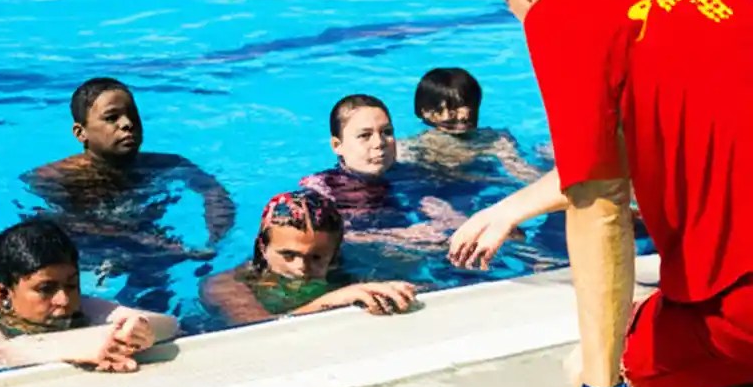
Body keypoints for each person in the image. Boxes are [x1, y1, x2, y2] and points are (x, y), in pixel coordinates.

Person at [463, 0, 753, 387]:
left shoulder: (559, 15)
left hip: (744, 305)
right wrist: (511, 208)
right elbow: (624, 146)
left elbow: (598, 212)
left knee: (621, 352)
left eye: (508, 4)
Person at [22, 78, 235, 311]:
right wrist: (150, 242)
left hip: (151, 251)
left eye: (132, 115)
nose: (127, 124)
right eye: (112, 118)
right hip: (92, 257)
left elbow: (213, 192)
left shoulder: (167, 164)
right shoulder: (53, 178)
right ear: (80, 133)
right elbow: (56, 226)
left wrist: (215, 237)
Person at [0, 219, 178, 370]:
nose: (64, 300)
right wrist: (84, 345)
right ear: (3, 293)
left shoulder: (84, 305)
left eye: (72, 285)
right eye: (45, 289)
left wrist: (140, 330)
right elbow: (6, 352)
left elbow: (170, 324)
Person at [201, 190, 417, 325]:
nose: (301, 267)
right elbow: (261, 331)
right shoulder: (225, 285)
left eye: (316, 257)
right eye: (288, 255)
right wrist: (332, 301)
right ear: (263, 247)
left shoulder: (350, 268)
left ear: (334, 254)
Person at [300, 94, 464, 249]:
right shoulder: (323, 189)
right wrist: (399, 237)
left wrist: (450, 218)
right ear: (337, 145)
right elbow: (321, 239)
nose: (379, 142)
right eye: (365, 135)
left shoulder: (415, 176)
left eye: (387, 132)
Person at [404, 67, 543, 183]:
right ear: (427, 112)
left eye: (471, 104)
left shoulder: (493, 140)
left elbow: (523, 172)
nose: (465, 114)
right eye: (455, 108)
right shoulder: (417, 146)